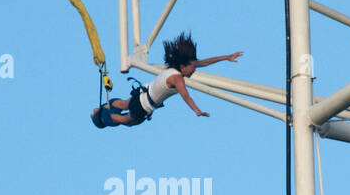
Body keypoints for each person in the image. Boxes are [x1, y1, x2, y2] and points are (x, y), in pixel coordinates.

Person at [91, 32, 242, 128]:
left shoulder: (178, 66)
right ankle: (102, 117)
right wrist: (197, 111)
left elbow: (204, 62)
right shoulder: (177, 78)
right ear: (183, 66)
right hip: (144, 104)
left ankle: (102, 109)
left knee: (124, 103)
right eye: (192, 69)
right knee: (128, 121)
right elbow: (186, 96)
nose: (194, 71)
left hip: (143, 91)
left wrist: (226, 57)